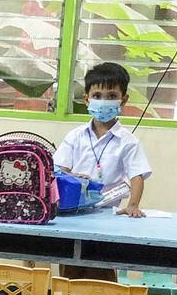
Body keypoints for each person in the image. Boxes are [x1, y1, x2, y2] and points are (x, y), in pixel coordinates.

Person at [55, 62, 151, 222]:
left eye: (112, 96)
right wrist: (72, 176)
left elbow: (137, 176)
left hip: (107, 213)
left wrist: (133, 205)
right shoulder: (75, 136)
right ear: (87, 99)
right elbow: (58, 170)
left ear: (123, 100)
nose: (104, 101)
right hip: (73, 210)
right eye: (97, 96)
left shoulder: (128, 142)